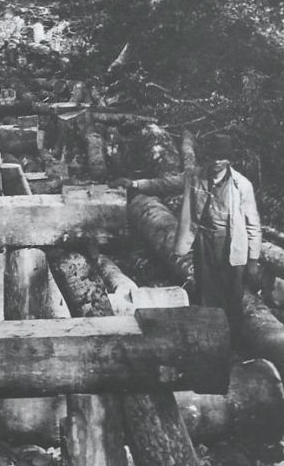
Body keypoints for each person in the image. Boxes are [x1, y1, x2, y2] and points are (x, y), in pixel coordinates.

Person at [111, 134, 262, 338]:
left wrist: (253, 259)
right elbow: (164, 184)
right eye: (214, 157)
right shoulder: (194, 176)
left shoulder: (241, 185)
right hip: (204, 240)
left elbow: (253, 224)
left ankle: (233, 340)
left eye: (222, 158)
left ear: (229, 160)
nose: (217, 162)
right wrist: (135, 184)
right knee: (205, 291)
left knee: (232, 294)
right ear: (207, 157)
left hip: (231, 242)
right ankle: (209, 337)